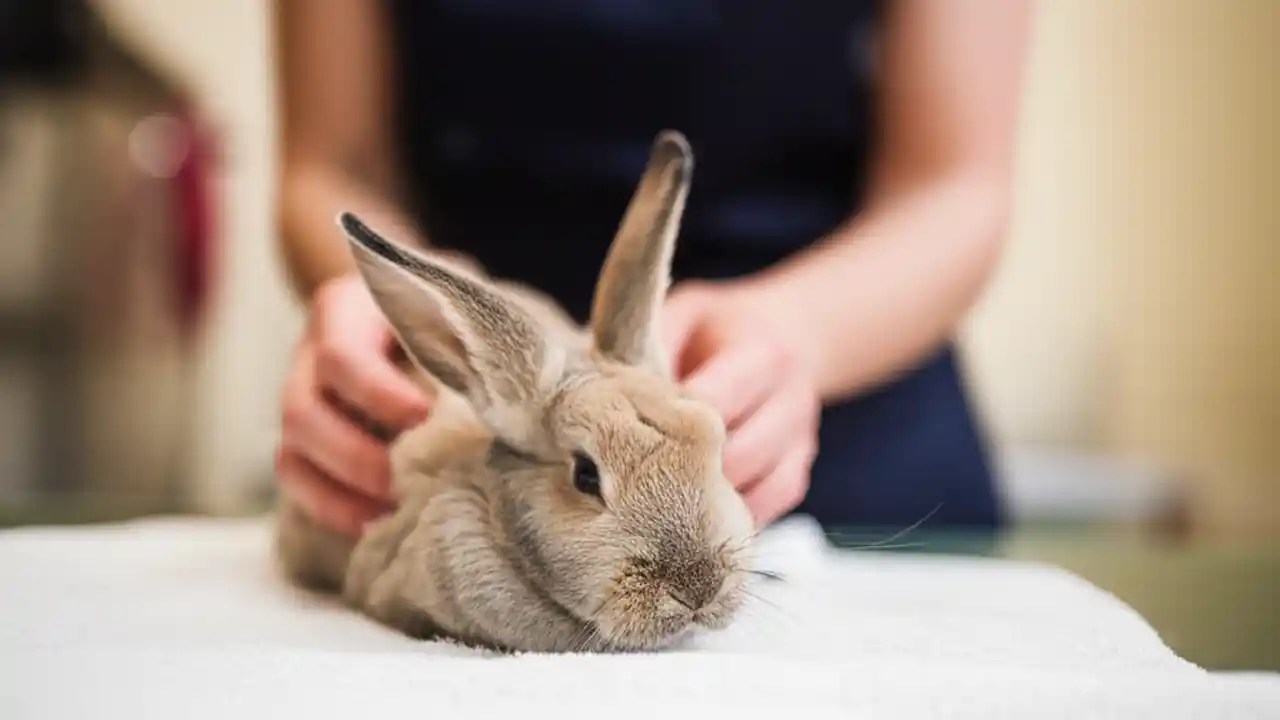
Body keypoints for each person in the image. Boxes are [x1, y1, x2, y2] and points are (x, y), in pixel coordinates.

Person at [273, 1, 1030, 538]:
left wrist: (795, 330)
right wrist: (403, 299)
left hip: (835, 425)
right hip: (476, 417)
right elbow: (330, 163)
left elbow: (956, 187)